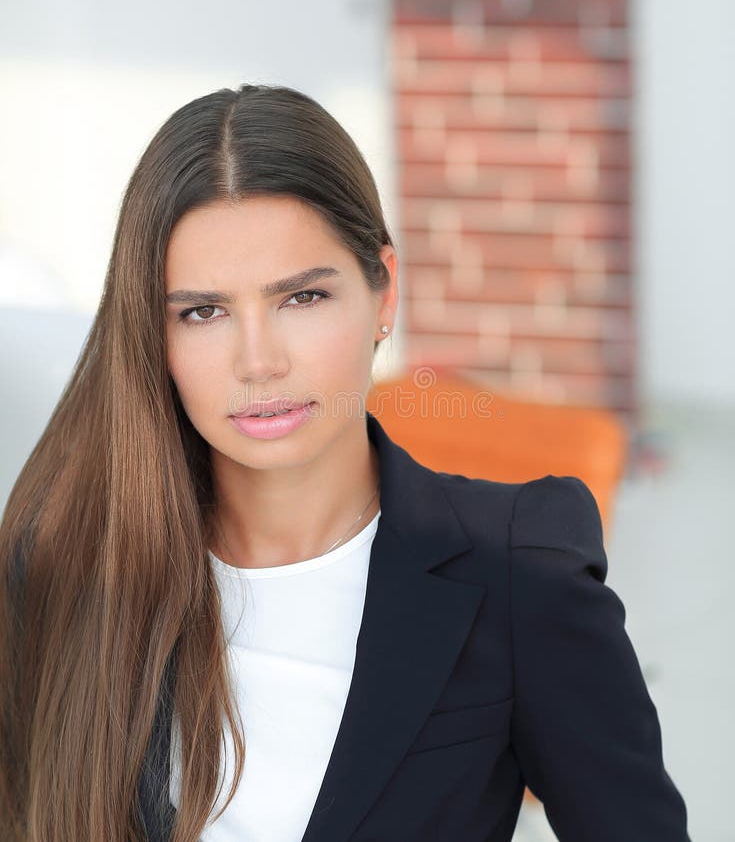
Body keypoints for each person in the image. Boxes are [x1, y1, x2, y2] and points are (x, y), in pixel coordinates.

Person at [0, 83, 690, 842]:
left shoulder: (517, 570)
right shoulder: (64, 563)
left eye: (301, 298)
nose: (257, 361)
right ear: (151, 337)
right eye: (203, 311)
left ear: (383, 292)